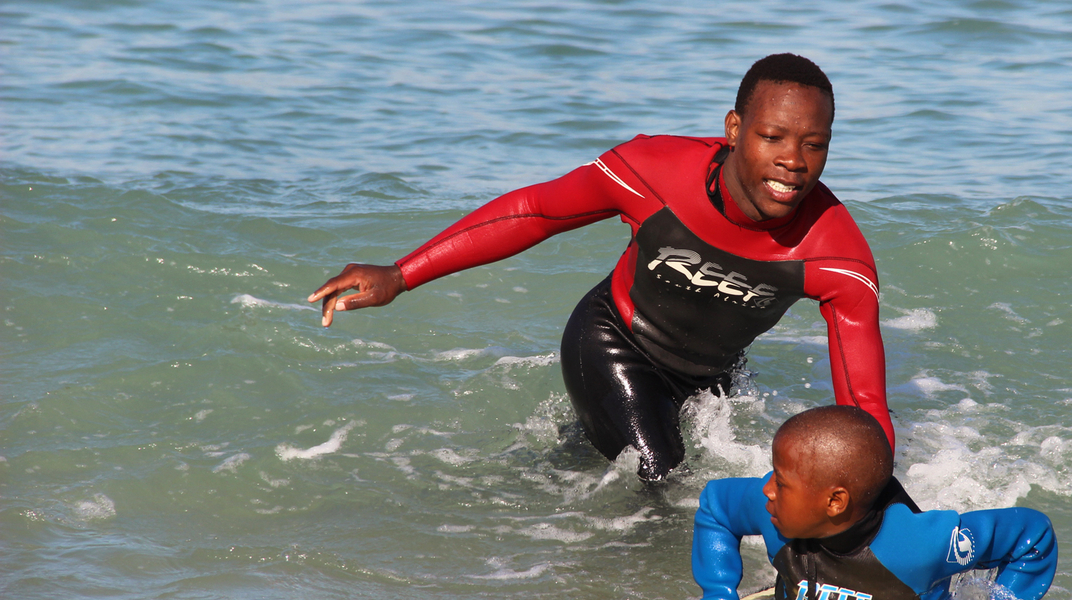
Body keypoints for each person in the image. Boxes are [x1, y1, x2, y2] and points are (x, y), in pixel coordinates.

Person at [307, 54, 892, 482]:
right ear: (734, 130)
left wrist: (883, 510)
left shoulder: (837, 257)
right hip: (614, 342)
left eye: (814, 144)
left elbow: (863, 410)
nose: (793, 162)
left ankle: (555, 464)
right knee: (664, 478)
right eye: (773, 137)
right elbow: (535, 212)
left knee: (683, 466)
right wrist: (402, 274)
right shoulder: (651, 171)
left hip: (714, 376)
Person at [671, 405, 1057, 600]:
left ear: (834, 502)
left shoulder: (920, 544)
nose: (766, 489)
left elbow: (1033, 535)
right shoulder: (773, 512)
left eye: (782, 482)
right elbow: (716, 506)